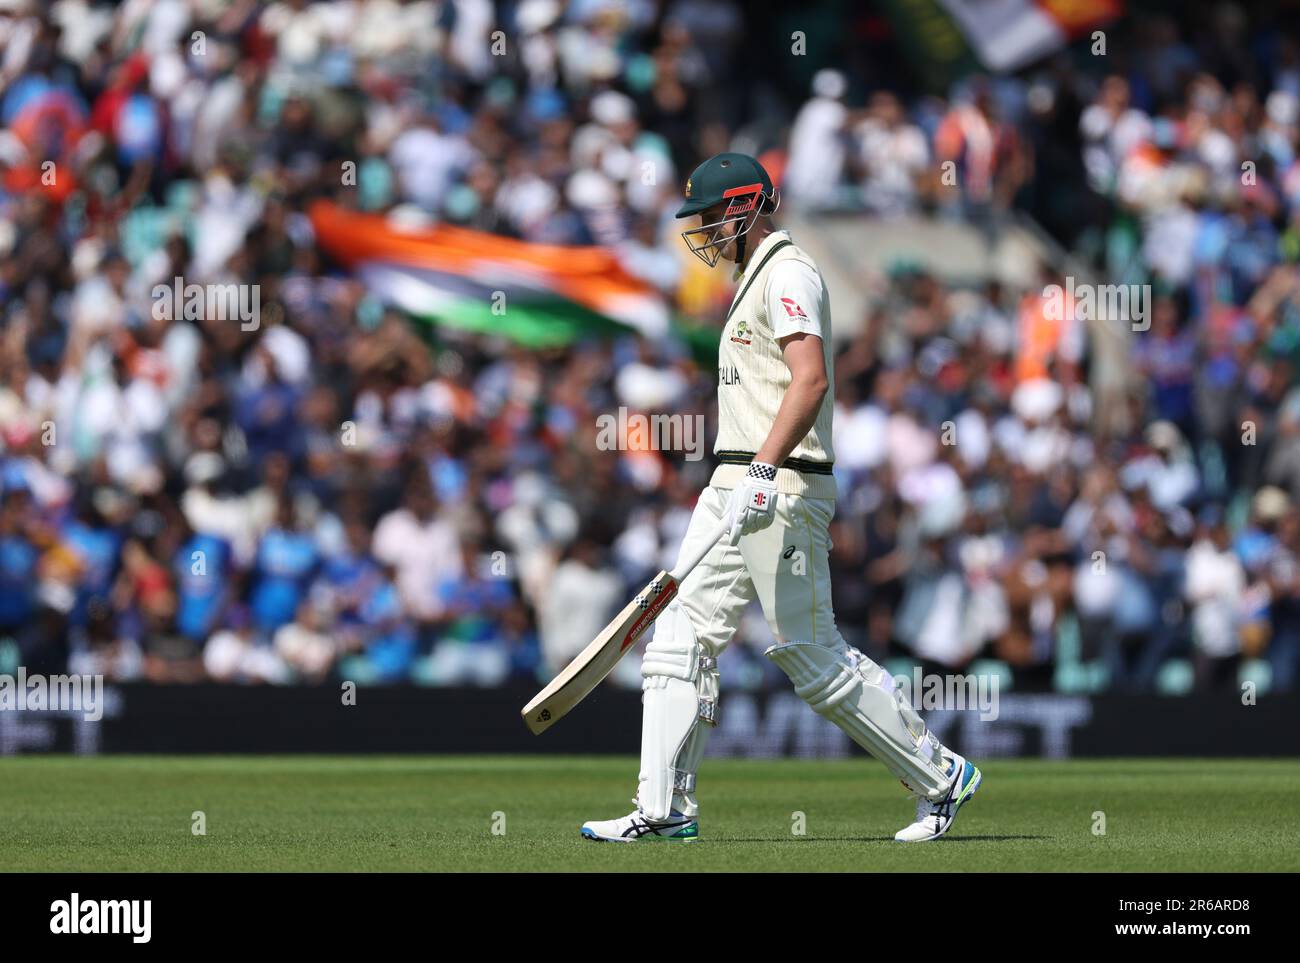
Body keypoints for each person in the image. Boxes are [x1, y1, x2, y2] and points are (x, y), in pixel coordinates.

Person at [581, 153, 982, 843]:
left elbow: (810, 380)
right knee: (678, 640)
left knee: (810, 653)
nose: (703, 231)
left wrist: (764, 473)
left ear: (743, 207)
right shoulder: (750, 278)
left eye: (710, 216)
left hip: (782, 481)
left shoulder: (788, 270)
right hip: (732, 481)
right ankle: (664, 807)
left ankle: (940, 774)